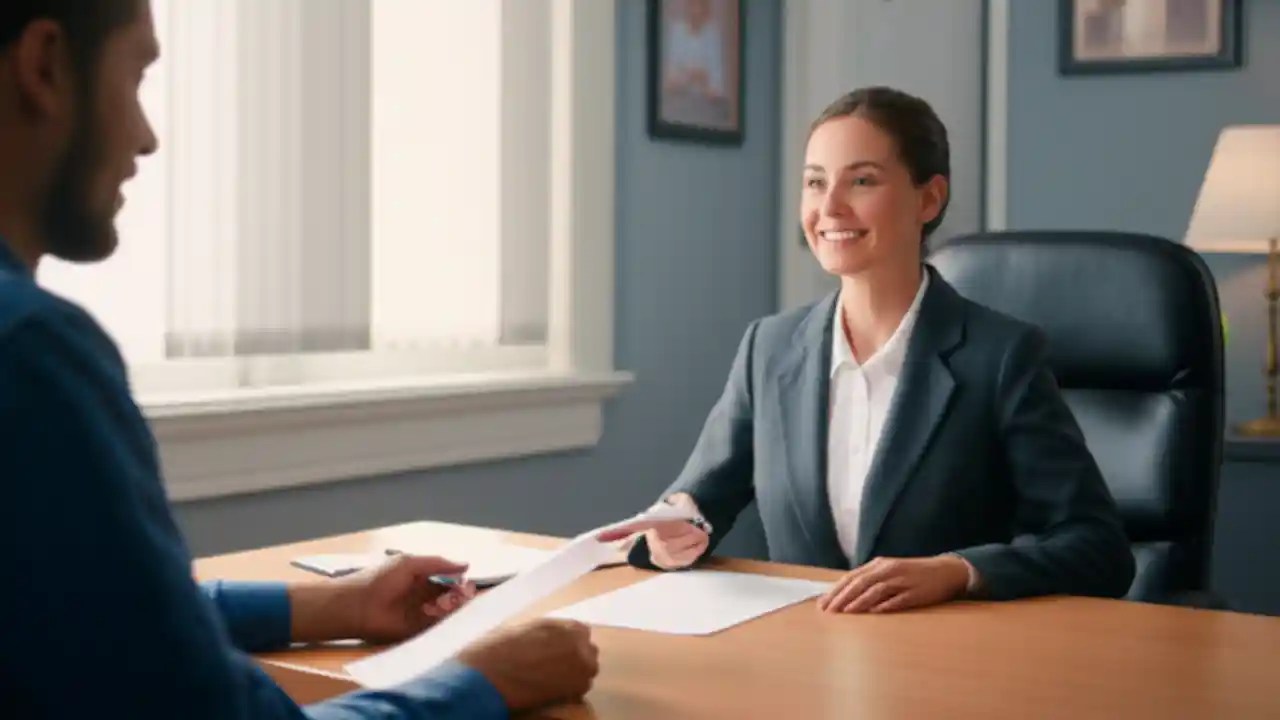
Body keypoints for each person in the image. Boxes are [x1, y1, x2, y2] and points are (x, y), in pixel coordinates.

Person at [0, 1, 597, 717]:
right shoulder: (30, 359)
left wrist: (336, 604)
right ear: (44, 66)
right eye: (136, 78)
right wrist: (485, 682)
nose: (146, 136)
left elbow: (101, 615)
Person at [628, 86, 1135, 613]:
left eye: (862, 181)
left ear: (930, 198)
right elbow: (691, 505)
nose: (829, 207)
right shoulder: (769, 349)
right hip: (802, 659)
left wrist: (958, 571)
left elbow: (1098, 549)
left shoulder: (1002, 356)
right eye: (815, 182)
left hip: (950, 665)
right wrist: (672, 534)